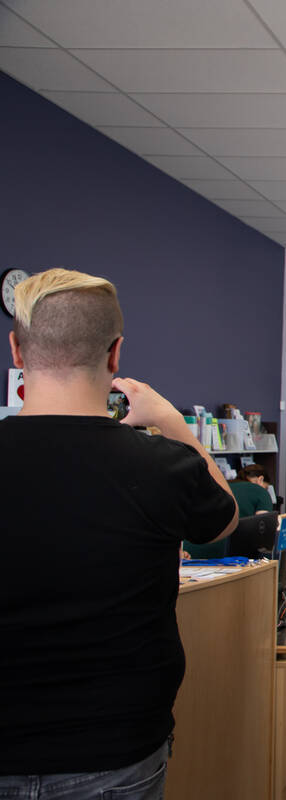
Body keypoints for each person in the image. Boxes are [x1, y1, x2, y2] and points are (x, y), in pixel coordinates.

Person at [0, 268, 238, 797]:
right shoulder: (161, 465)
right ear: (115, 355)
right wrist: (172, 421)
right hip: (115, 749)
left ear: (17, 351)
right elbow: (223, 517)